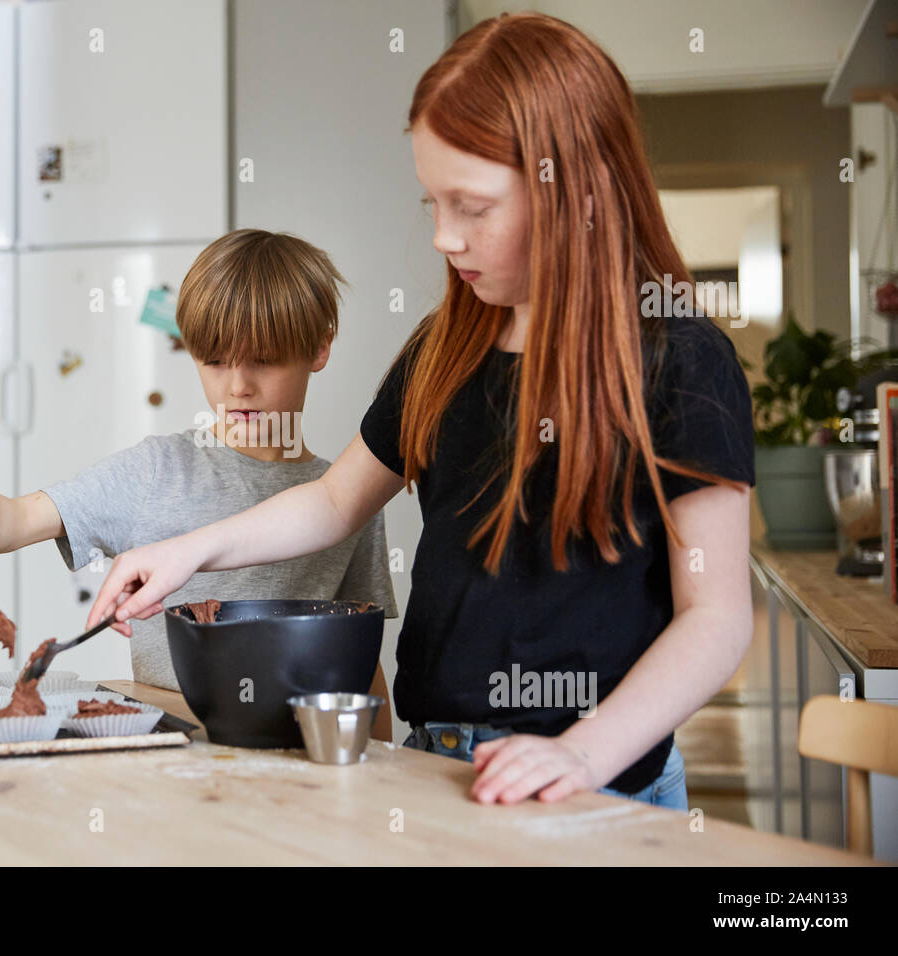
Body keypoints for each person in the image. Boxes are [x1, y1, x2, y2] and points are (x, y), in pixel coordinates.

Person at [84, 13, 756, 810]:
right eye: (431, 202)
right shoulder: (444, 349)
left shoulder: (680, 360)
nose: (443, 236)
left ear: (578, 187)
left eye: (472, 207)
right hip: (436, 765)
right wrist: (187, 552)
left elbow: (715, 619)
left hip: (599, 785)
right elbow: (336, 500)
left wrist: (581, 754)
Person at [0, 229, 399, 733]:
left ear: (320, 348)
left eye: (264, 359)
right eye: (214, 361)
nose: (238, 385)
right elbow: (25, 514)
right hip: (169, 748)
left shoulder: (351, 494)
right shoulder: (158, 471)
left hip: (296, 755)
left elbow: (360, 661)